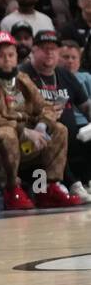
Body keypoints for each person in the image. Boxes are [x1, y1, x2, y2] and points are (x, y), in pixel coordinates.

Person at [0, 31, 82, 210]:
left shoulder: (19, 79)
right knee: (7, 134)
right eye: (1, 56)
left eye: (11, 55)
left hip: (19, 139)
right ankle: (11, 191)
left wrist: (41, 127)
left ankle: (45, 189)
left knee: (58, 129)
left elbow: (45, 107)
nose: (7, 60)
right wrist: (25, 131)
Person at [20, 29, 91, 202]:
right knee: (56, 131)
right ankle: (71, 184)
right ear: (34, 50)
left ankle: (84, 182)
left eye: (53, 48)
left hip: (70, 138)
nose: (50, 52)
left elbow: (86, 107)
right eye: (44, 48)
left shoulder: (65, 75)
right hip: (32, 139)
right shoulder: (23, 75)